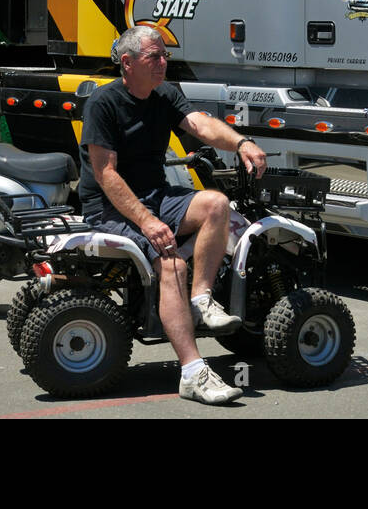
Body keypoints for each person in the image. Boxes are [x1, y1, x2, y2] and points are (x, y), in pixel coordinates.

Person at [78, 24, 267, 405]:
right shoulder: (103, 103)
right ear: (128, 63)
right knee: (172, 265)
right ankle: (193, 372)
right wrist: (148, 221)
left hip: (157, 194)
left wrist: (242, 142)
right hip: (111, 206)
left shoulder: (164, 93)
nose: (163, 63)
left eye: (165, 55)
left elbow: (200, 125)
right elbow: (105, 174)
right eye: (155, 57)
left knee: (215, 204)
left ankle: (202, 298)